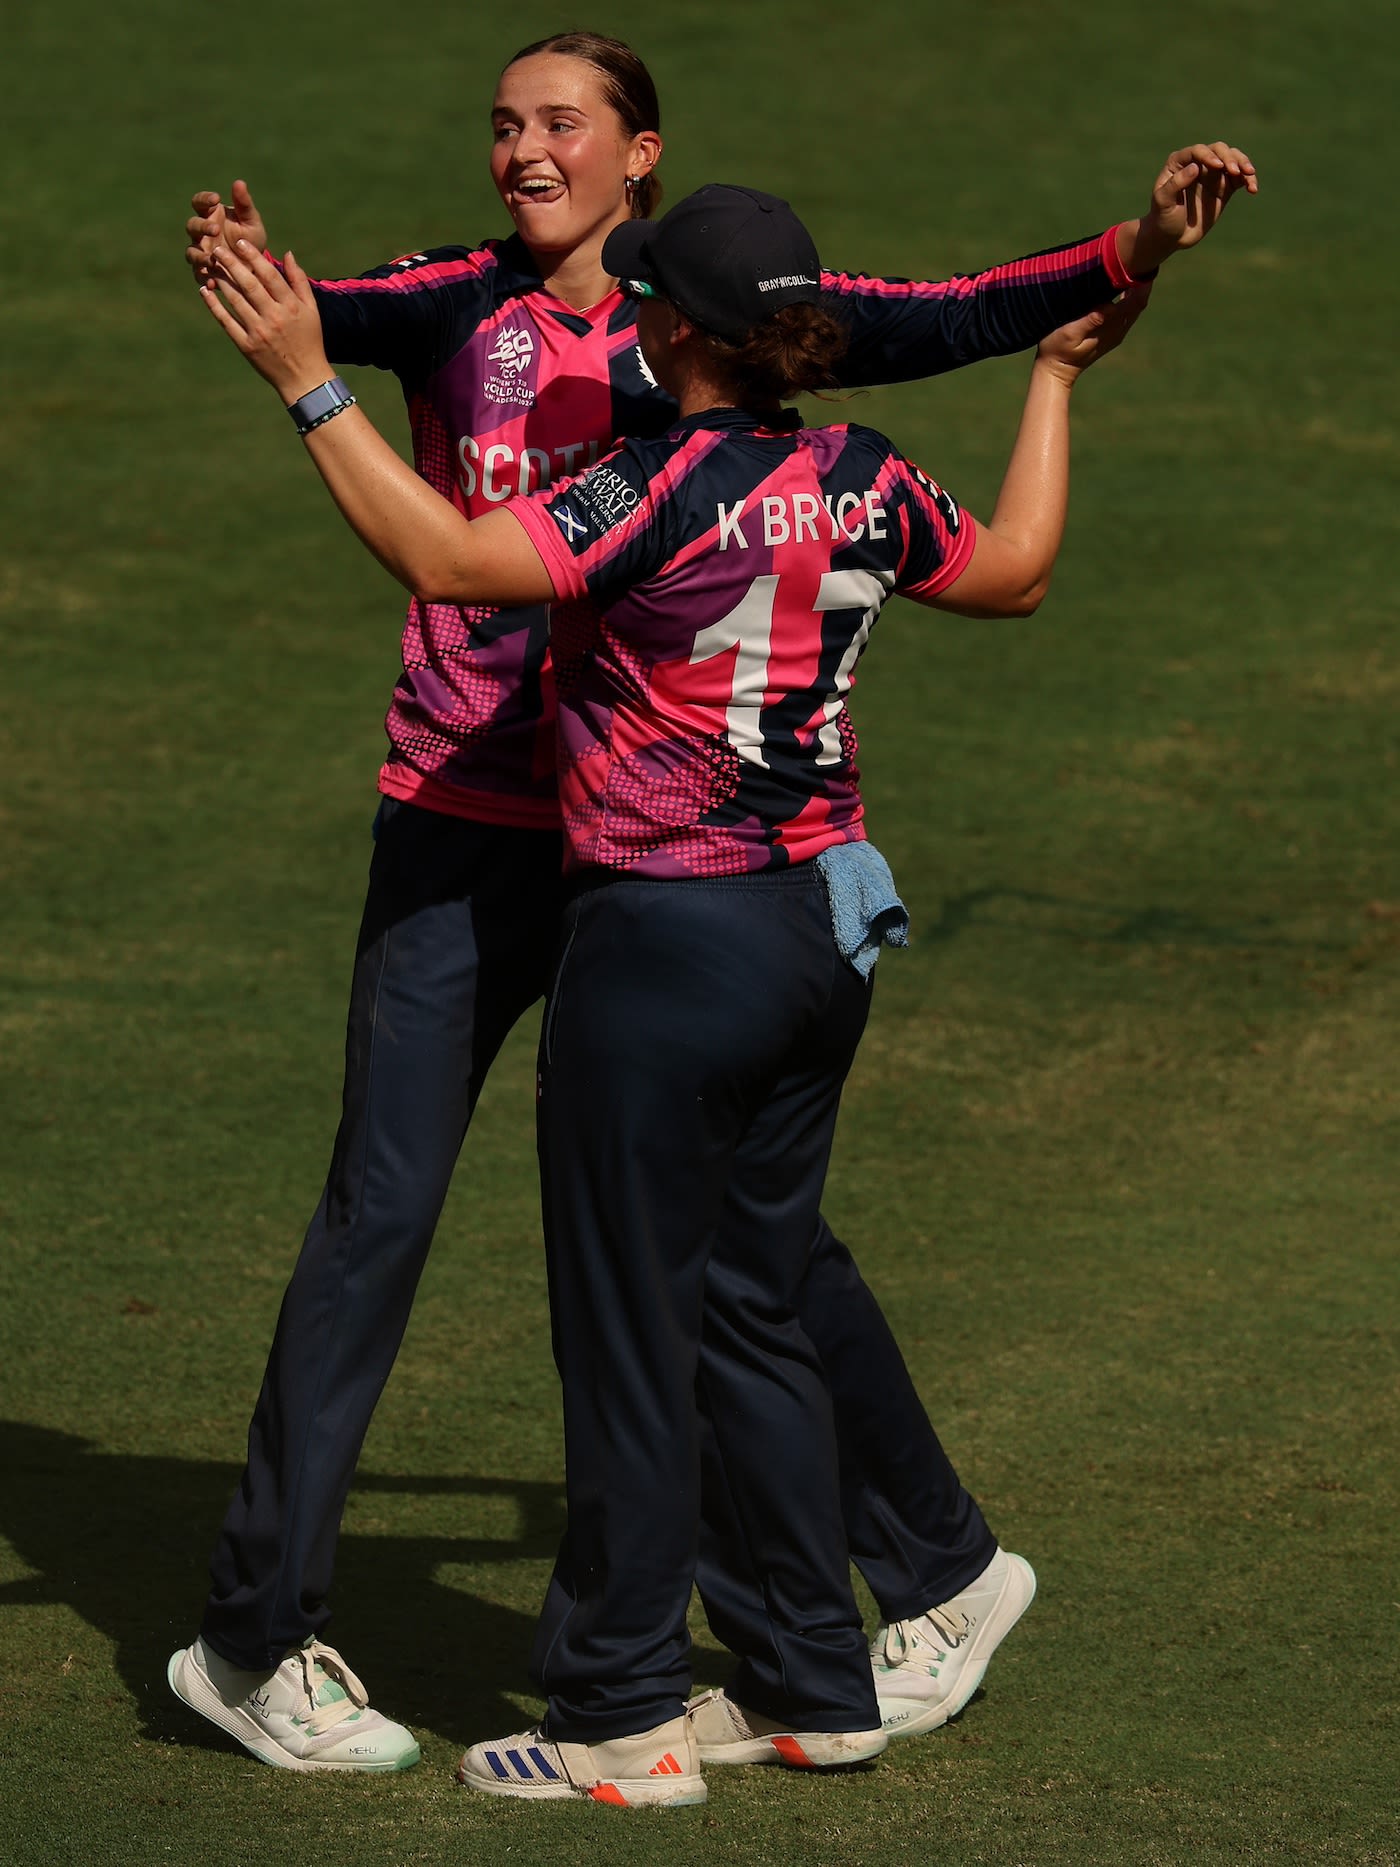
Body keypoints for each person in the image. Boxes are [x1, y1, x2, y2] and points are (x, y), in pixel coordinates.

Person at [168, 28, 1257, 1774]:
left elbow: (973, 307)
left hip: (648, 891)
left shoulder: (730, 327)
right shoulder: (466, 307)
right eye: (503, 123)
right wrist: (279, 303)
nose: (522, 150)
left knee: (738, 1259)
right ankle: (256, 1638)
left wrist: (1132, 251)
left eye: (560, 124)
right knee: (393, 1218)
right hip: (474, 832)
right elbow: (328, 313)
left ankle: (913, 1584)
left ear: (641, 155)